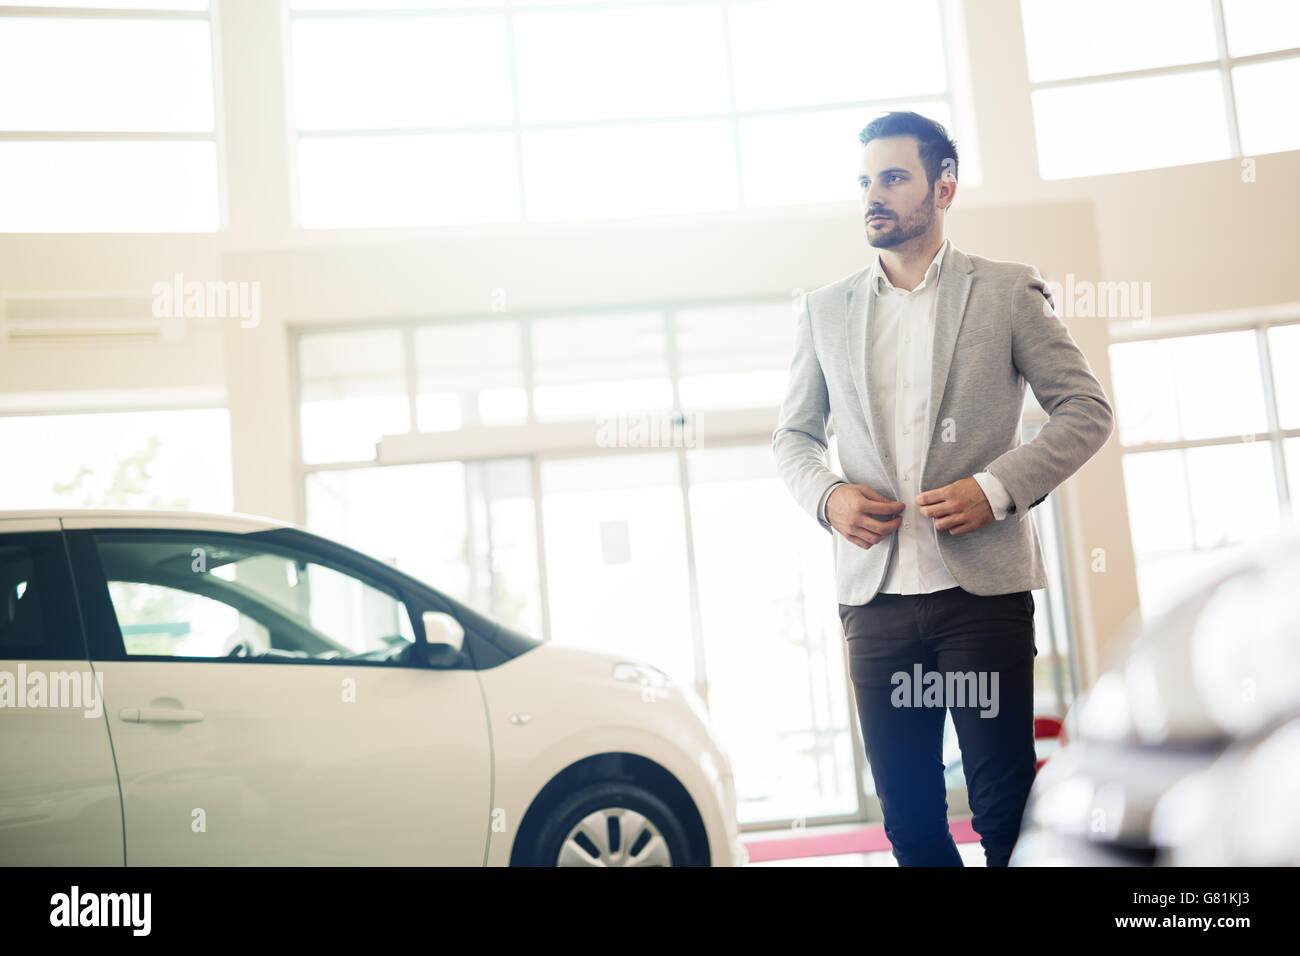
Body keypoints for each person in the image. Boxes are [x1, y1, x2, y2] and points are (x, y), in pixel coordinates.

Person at [771, 111, 1114, 866]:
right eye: (866, 181)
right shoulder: (824, 311)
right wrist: (830, 498)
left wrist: (994, 488)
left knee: (1004, 812)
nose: (874, 196)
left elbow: (1086, 410)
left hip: (981, 598)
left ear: (944, 186)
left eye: (893, 177)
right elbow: (792, 436)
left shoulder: (1006, 290)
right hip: (875, 605)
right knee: (911, 824)